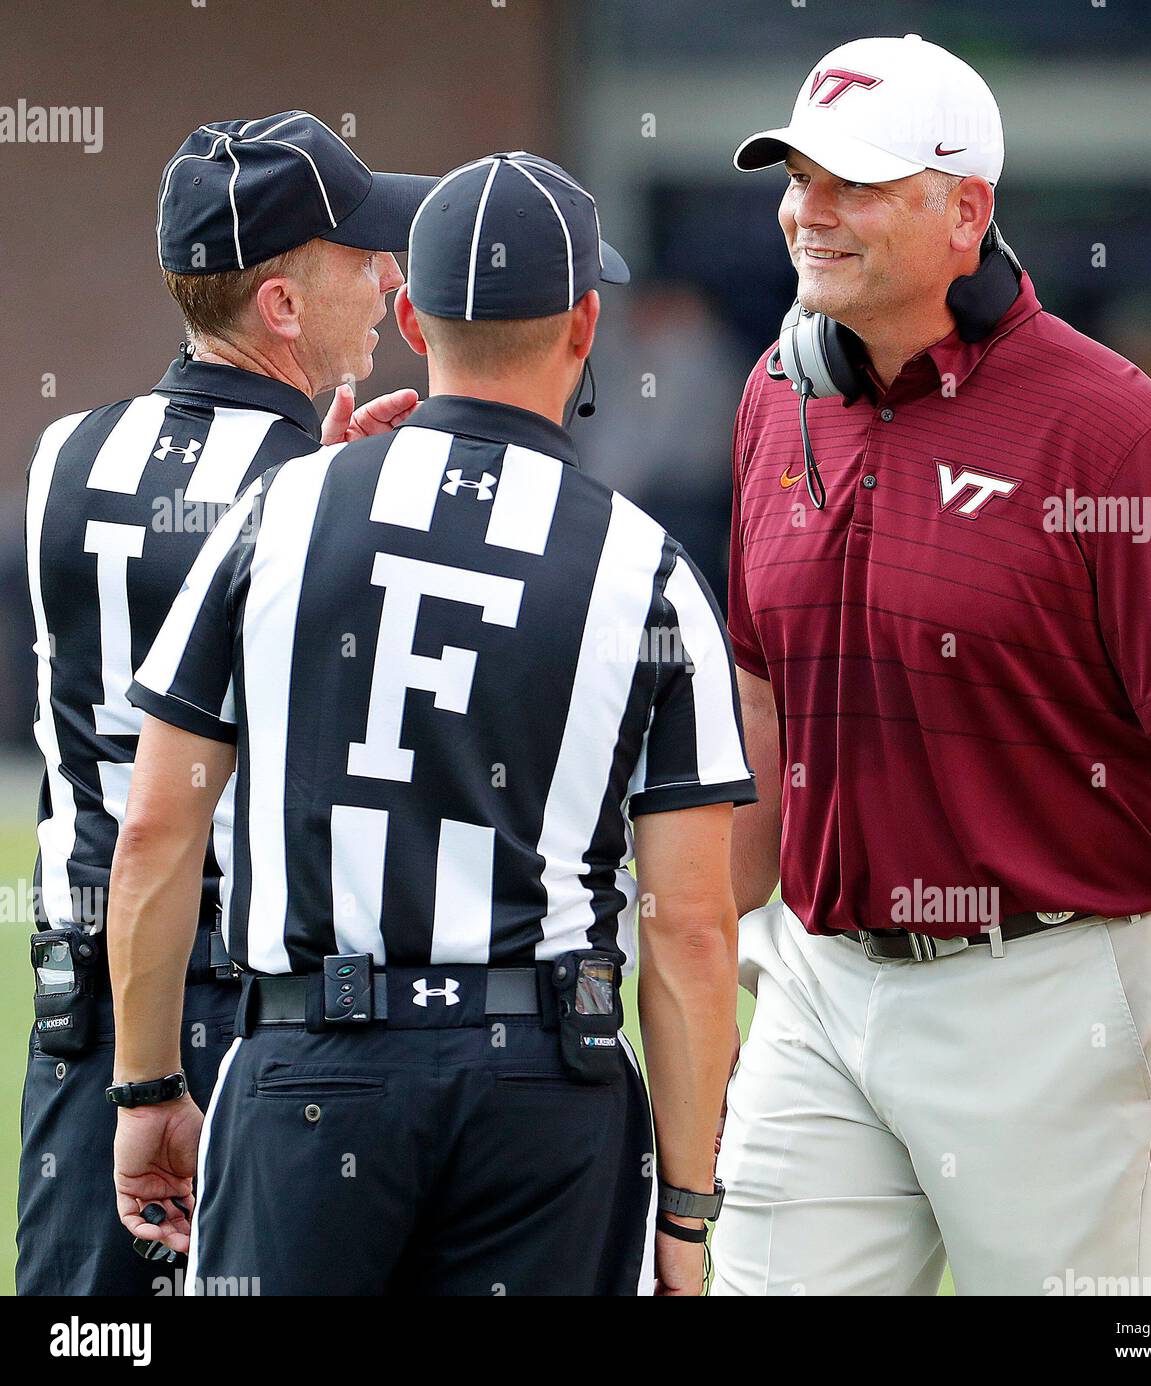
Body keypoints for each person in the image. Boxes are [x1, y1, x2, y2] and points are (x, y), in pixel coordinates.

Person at [106, 151, 754, 1296]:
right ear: (585, 325)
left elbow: (157, 827)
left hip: (313, 1070)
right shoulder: (646, 569)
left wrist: (147, 1085)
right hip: (546, 1092)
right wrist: (690, 1213)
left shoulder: (282, 510)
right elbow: (693, 930)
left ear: (409, 316)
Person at [714, 34, 1151, 1295]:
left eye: (854, 183)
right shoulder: (771, 397)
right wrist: (702, 948)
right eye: (797, 176)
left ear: (966, 212)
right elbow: (762, 699)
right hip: (817, 988)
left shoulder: (1113, 430)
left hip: (1052, 1006)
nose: (809, 212)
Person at [19, 110, 437, 1295]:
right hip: (262, 1012)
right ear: (283, 307)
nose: (388, 280)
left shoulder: (65, 452)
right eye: (362, 257)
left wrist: (319, 483)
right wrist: (333, 500)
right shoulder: (328, 498)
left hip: (89, 1007)